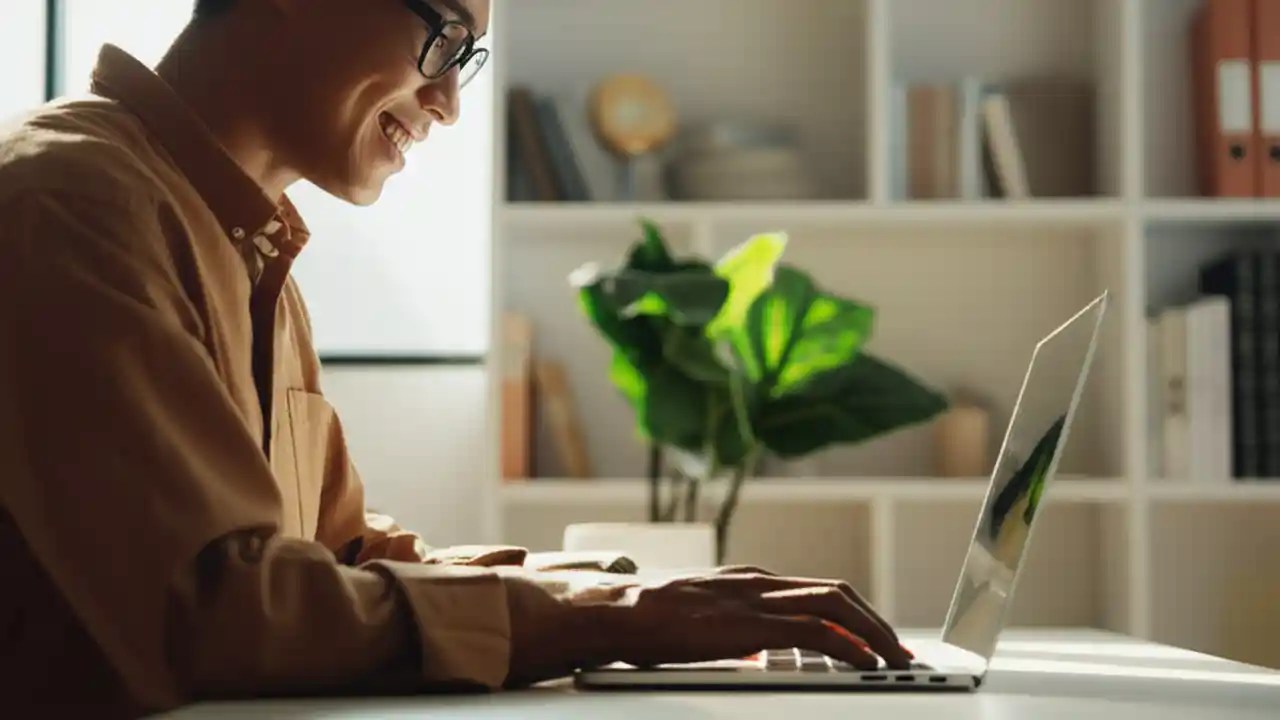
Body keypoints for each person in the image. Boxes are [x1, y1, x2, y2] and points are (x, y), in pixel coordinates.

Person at [0, 0, 910, 716]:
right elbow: (223, 616)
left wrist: (618, 591)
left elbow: (339, 554)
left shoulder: (245, 239)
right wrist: (615, 621)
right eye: (444, 36)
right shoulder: (74, 203)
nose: (448, 103)